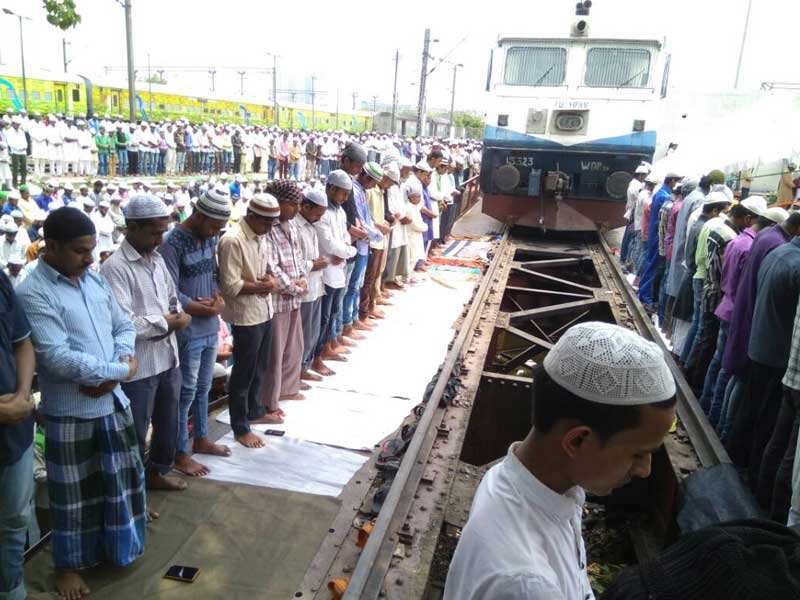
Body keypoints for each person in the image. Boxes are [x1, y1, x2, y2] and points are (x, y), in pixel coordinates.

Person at [444, 322, 677, 600]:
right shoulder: (526, 584)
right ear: (577, 441)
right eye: (638, 453)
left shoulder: (530, 481)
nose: (645, 470)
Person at [17, 207, 145, 600]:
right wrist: (119, 372)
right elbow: (56, 357)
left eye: (91, 249)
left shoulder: (93, 280)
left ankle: (115, 547)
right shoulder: (32, 290)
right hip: (70, 412)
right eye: (80, 250)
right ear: (50, 247)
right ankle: (67, 567)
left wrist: (118, 367)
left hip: (112, 401)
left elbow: (123, 326)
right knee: (73, 497)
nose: (90, 258)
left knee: (121, 480)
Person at [101, 194, 191, 493]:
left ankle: (156, 473)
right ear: (132, 228)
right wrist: (167, 322)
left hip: (167, 357)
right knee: (136, 431)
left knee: (168, 423)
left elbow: (172, 298)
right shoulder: (116, 267)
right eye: (154, 231)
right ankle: (133, 493)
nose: (160, 238)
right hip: (139, 366)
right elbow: (124, 322)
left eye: (162, 231)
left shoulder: (157, 259)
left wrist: (172, 316)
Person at [159, 187, 232, 477]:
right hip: (188, 330)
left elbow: (212, 274)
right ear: (199, 215)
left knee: (204, 388)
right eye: (214, 225)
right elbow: (169, 291)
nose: (216, 231)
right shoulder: (171, 244)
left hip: (210, 325)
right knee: (185, 392)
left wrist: (218, 298)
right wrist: (194, 307)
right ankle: (180, 452)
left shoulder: (209, 235)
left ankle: (201, 438)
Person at [218, 193, 282, 446]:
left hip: (263, 310)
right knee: (243, 373)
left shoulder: (260, 236)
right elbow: (231, 285)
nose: (268, 229)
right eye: (266, 223)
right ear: (253, 217)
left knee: (259, 368)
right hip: (246, 315)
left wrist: (270, 281)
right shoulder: (233, 240)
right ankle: (240, 426)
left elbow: (264, 271)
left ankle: (254, 411)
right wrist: (263, 286)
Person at [258, 180, 309, 417]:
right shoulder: (268, 227)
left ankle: (288, 389)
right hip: (278, 300)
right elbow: (270, 267)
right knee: (274, 355)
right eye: (293, 204)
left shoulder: (292, 226)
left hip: (294, 297)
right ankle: (269, 402)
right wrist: (294, 287)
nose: (297, 209)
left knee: (293, 348)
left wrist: (302, 279)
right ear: (279, 203)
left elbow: (298, 257)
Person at [0, 269, 35, 600]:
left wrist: (23, 391)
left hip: (15, 434)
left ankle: (13, 591)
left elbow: (22, 342)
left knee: (12, 523)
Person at [313, 170, 357, 373]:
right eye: (342, 193)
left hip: (338, 268)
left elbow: (345, 239)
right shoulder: (323, 214)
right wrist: (346, 251)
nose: (345, 198)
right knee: (322, 317)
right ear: (331, 188)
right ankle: (316, 357)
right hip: (326, 271)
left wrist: (347, 251)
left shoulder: (340, 211)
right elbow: (329, 244)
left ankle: (327, 348)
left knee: (332, 314)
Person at [342, 162, 383, 339]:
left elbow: (367, 219)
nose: (373, 186)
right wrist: (376, 235)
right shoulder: (355, 191)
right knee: (352, 286)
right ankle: (346, 324)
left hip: (364, 245)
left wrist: (374, 233)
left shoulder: (363, 192)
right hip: (358, 245)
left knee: (357, 285)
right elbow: (360, 221)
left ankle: (352, 320)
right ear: (366, 177)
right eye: (373, 182)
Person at [296, 189, 329, 382]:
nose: (318, 218)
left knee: (313, 332)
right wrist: (314, 264)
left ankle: (305, 366)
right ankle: (297, 371)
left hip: (316, 286)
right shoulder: (296, 226)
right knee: (303, 333)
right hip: (304, 289)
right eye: (317, 213)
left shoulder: (310, 224)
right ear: (306, 206)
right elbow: (294, 261)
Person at [6, 118, 27, 189]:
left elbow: (25, 140)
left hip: (23, 152)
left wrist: (25, 147)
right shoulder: (9, 131)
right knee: (15, 169)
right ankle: (14, 184)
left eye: (19, 124)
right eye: (16, 124)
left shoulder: (21, 131)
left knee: (24, 168)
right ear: (13, 124)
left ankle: (23, 183)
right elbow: (10, 142)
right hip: (15, 152)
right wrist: (18, 148)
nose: (18, 125)